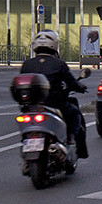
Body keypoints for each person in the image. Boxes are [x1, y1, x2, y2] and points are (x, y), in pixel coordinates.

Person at [18, 29, 88, 158]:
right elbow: (71, 82)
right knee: (75, 114)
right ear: (54, 45)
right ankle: (71, 139)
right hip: (55, 105)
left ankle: (26, 142)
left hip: (30, 107)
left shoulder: (27, 64)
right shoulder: (59, 64)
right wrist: (81, 87)